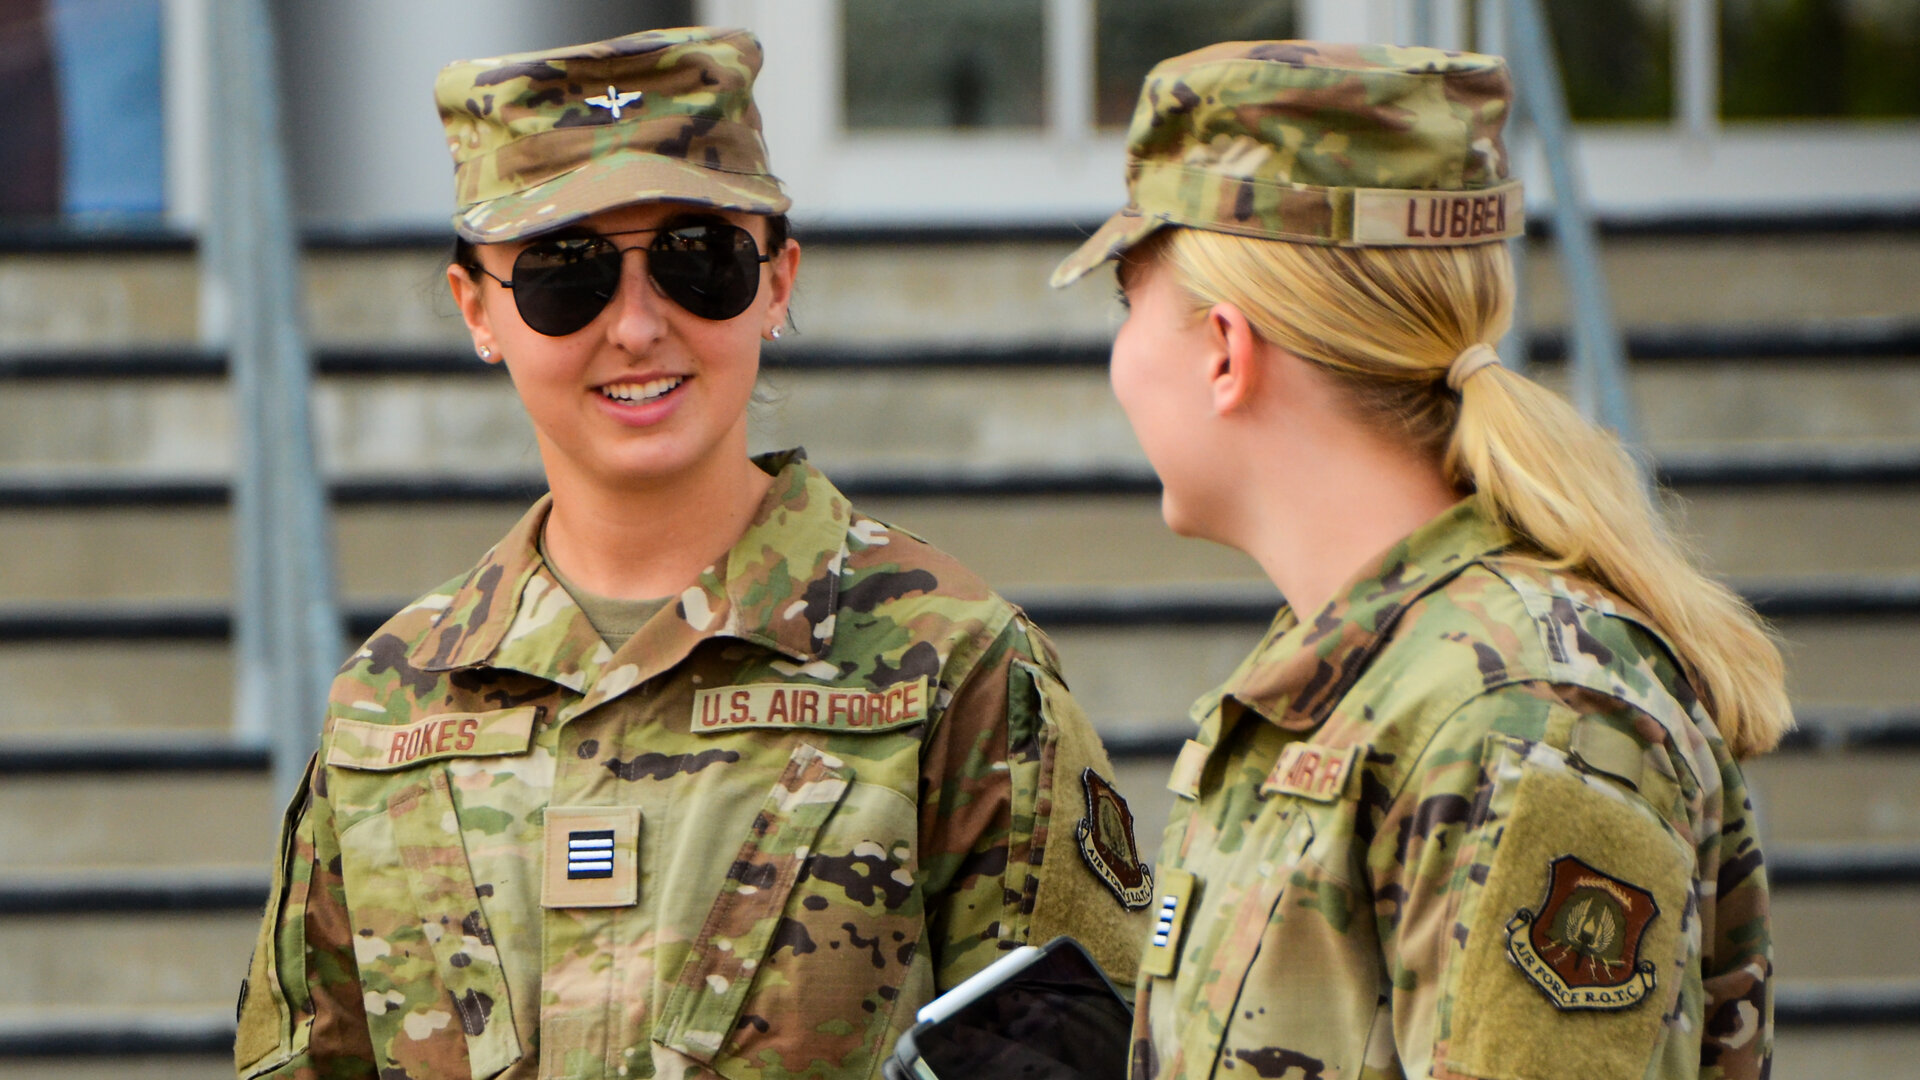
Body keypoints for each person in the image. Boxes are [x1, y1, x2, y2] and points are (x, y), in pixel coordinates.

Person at [233, 26, 1151, 1080]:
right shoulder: (391, 709)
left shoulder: (951, 668)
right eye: (565, 273)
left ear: (777, 280)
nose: (636, 327)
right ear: (476, 308)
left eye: (697, 260)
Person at [1051, 41, 1788, 1080]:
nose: (1119, 360)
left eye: (1127, 306)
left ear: (1226, 347)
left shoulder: (1520, 713)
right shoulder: (1357, 675)